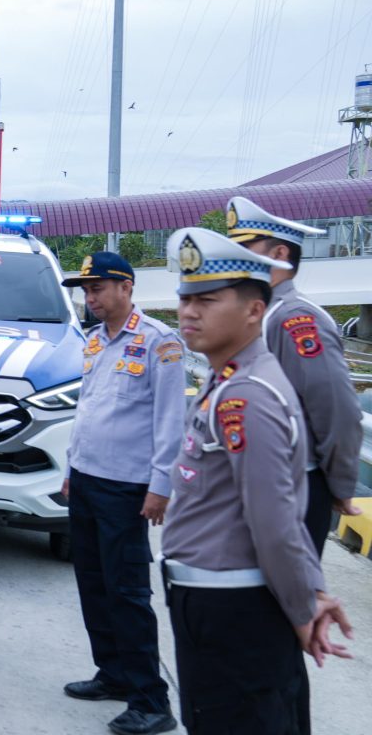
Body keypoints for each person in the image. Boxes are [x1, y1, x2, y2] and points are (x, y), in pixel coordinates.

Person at [160, 227, 353, 734]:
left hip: (232, 610)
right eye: (184, 298)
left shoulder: (248, 398)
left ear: (253, 311)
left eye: (207, 299)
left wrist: (304, 605)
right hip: (221, 602)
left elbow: (275, 523)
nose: (188, 312)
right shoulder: (231, 382)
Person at [59, 251, 185, 735]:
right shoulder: (93, 342)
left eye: (97, 288)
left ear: (126, 288)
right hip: (88, 479)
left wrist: (161, 486)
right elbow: (88, 410)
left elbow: (170, 421)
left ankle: (151, 700)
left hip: (128, 488)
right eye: (86, 290)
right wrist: (71, 468)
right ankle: (112, 673)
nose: (90, 298)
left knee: (128, 591)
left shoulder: (159, 343)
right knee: (93, 584)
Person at [226, 196, 363, 553]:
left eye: (246, 248)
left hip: (292, 485)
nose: (237, 259)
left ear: (280, 255)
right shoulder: (259, 315)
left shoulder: (296, 320)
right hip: (256, 481)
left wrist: (340, 485)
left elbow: (335, 407)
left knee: (285, 601)